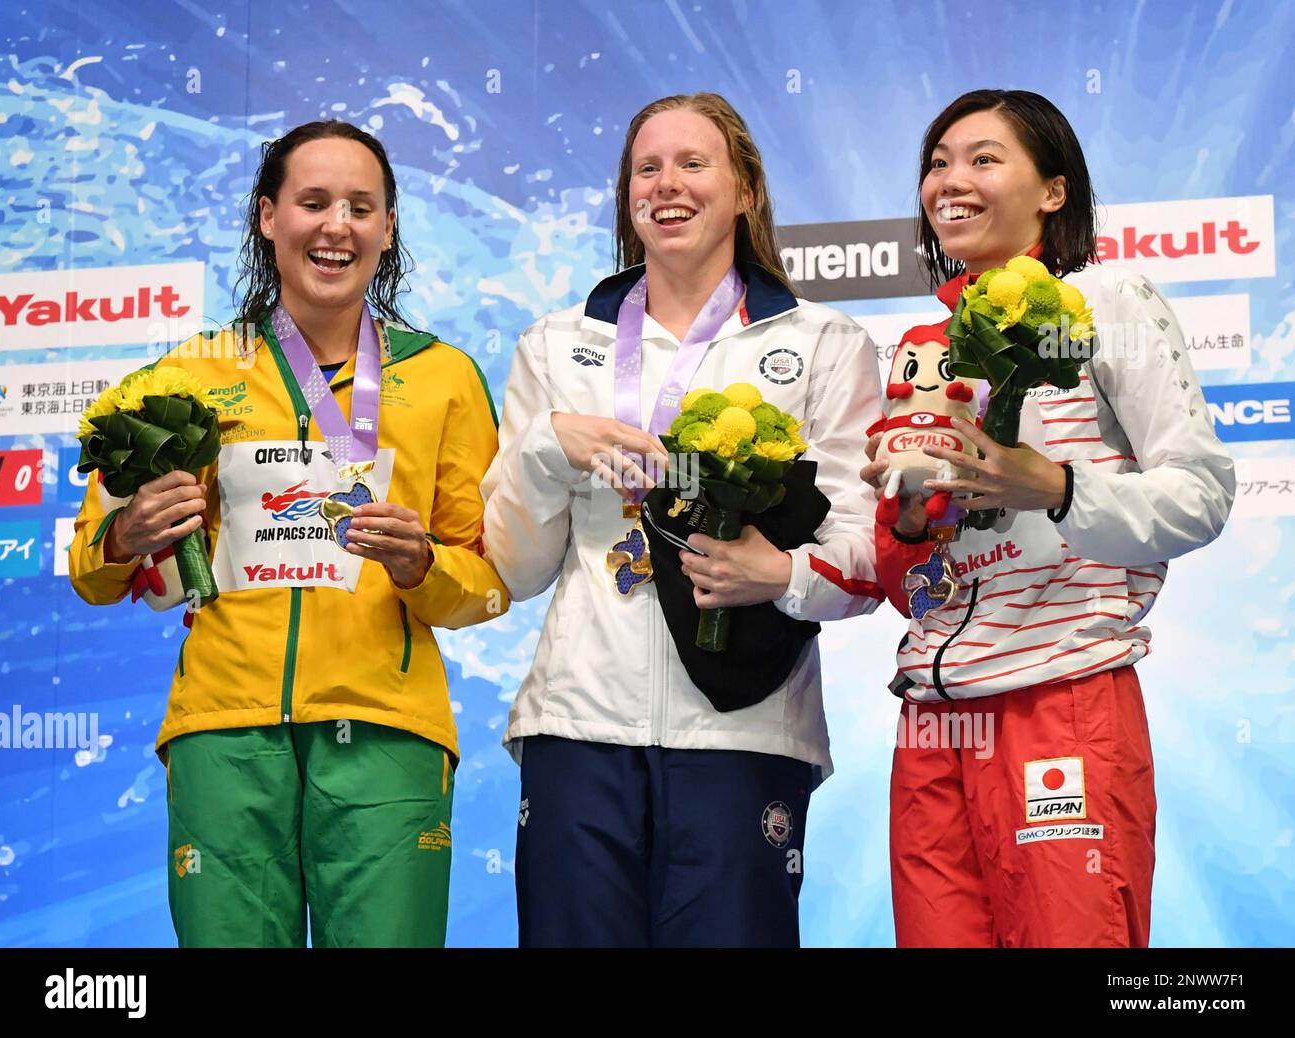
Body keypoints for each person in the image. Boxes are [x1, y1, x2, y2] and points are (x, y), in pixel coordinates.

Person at [68, 120, 509, 947]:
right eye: (313, 202)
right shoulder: (185, 374)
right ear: (268, 217)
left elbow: (487, 587)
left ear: (386, 228)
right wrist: (127, 533)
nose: (336, 225)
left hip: (385, 734)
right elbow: (92, 570)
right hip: (225, 733)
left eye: (360, 207)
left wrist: (423, 565)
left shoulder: (444, 378)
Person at [480, 93, 885, 947]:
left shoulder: (823, 344)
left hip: (745, 729)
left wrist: (779, 573)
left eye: (694, 163)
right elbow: (513, 569)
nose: (668, 184)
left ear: (746, 190)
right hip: (578, 728)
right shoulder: (557, 344)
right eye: (647, 167)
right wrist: (550, 448)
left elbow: (863, 550)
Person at [861, 90, 1235, 947]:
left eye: (984, 159)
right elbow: (911, 582)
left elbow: (1202, 493)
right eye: (938, 161)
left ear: (1054, 191)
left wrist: (1058, 488)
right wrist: (912, 522)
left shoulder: (1104, 301)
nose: (950, 181)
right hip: (932, 718)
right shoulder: (927, 348)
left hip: (1060, 697)